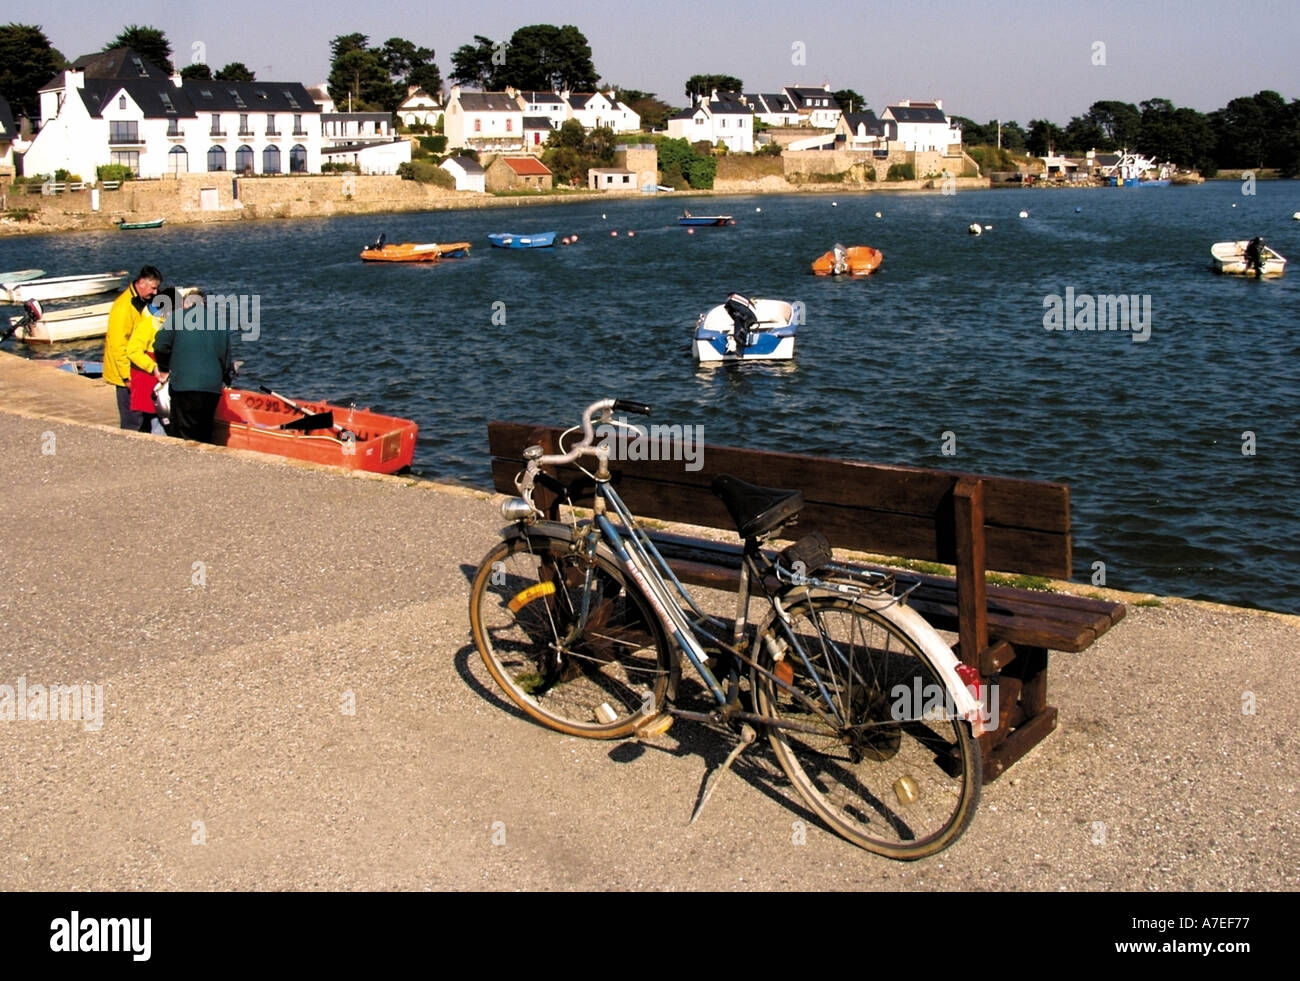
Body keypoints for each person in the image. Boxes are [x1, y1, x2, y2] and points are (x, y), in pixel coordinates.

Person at [153, 290, 234, 443]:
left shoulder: (177, 318)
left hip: (184, 385)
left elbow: (160, 345)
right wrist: (226, 378)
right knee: (204, 432)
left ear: (186, 303)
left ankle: (185, 463)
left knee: (183, 433)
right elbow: (226, 359)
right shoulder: (219, 323)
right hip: (211, 387)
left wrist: (164, 368)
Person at [103, 265, 162, 430]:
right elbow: (117, 345)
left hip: (139, 369)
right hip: (126, 374)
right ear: (141, 283)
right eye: (153, 288)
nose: (155, 293)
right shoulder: (123, 307)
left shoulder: (141, 301)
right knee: (132, 420)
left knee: (144, 417)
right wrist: (126, 378)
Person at [124, 286, 177, 435]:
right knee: (156, 422)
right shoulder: (148, 325)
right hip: (148, 381)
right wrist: (152, 366)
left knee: (165, 419)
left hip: (164, 381)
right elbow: (132, 350)